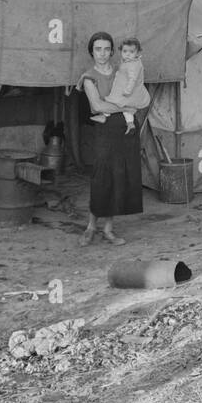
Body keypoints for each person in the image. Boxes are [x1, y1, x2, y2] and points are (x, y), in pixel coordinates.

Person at [77, 31, 144, 246]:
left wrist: (125, 106)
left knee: (119, 177)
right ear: (91, 52)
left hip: (124, 131)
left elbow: (136, 93)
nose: (102, 54)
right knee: (101, 178)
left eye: (107, 49)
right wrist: (124, 106)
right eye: (98, 49)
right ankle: (90, 227)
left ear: (112, 51)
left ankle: (108, 229)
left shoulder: (121, 70)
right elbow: (97, 106)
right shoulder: (89, 78)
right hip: (104, 133)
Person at [97, 37, 151, 132]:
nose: (127, 54)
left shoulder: (133, 65)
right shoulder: (131, 62)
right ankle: (130, 123)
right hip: (124, 87)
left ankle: (104, 115)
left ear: (137, 53)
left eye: (131, 52)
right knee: (127, 108)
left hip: (126, 90)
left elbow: (132, 79)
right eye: (125, 51)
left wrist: (127, 90)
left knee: (112, 102)